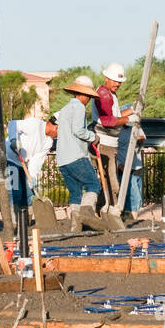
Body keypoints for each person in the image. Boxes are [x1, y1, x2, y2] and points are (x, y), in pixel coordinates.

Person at [55, 76, 121, 232]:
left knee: (75, 192)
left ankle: (75, 225)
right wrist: (93, 136)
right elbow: (78, 130)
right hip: (75, 156)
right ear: (82, 94)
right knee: (93, 185)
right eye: (89, 97)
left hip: (62, 159)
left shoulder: (65, 109)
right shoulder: (78, 107)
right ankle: (86, 216)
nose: (89, 100)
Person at [91, 63, 133, 208]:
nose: (117, 84)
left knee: (109, 182)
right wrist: (128, 119)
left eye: (119, 81)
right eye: (115, 81)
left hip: (109, 144)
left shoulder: (110, 94)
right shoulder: (104, 95)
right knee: (111, 184)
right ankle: (110, 213)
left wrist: (132, 110)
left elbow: (115, 116)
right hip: (105, 144)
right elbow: (108, 121)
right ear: (106, 78)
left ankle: (107, 212)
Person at [6, 114, 57, 212]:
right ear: (56, 127)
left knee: (26, 194)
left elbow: (36, 160)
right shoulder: (35, 124)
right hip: (11, 158)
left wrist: (32, 177)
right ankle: (14, 222)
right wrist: (13, 140)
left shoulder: (48, 142)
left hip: (23, 162)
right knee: (16, 191)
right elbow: (13, 124)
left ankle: (24, 222)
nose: (58, 136)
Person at [116, 107, 145, 222]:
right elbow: (114, 150)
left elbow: (142, 138)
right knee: (131, 191)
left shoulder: (136, 127)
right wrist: (119, 164)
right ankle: (130, 213)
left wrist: (138, 140)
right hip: (124, 166)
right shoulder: (117, 131)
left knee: (136, 190)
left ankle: (133, 212)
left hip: (136, 165)